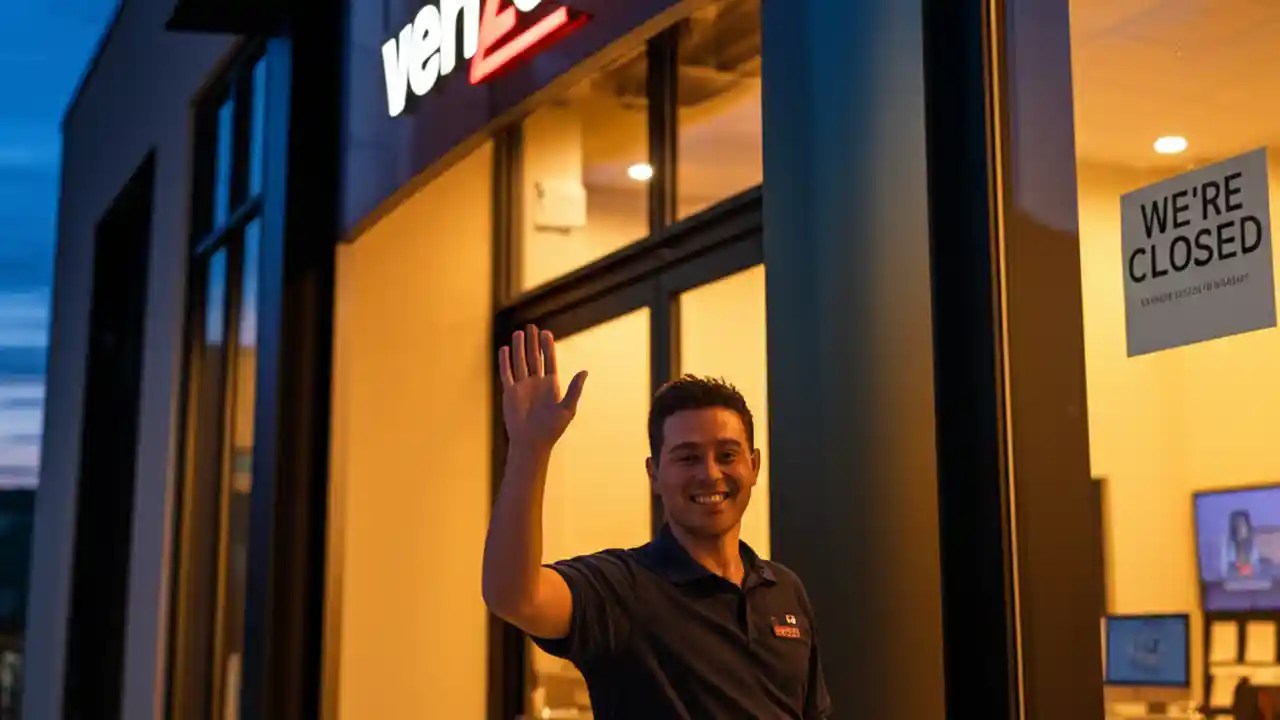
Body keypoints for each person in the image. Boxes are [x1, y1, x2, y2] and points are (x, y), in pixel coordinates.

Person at [482, 324, 832, 719]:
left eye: (728, 455)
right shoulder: (622, 590)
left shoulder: (785, 591)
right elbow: (515, 596)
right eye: (688, 457)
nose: (711, 473)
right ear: (654, 474)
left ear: (754, 466)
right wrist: (530, 449)